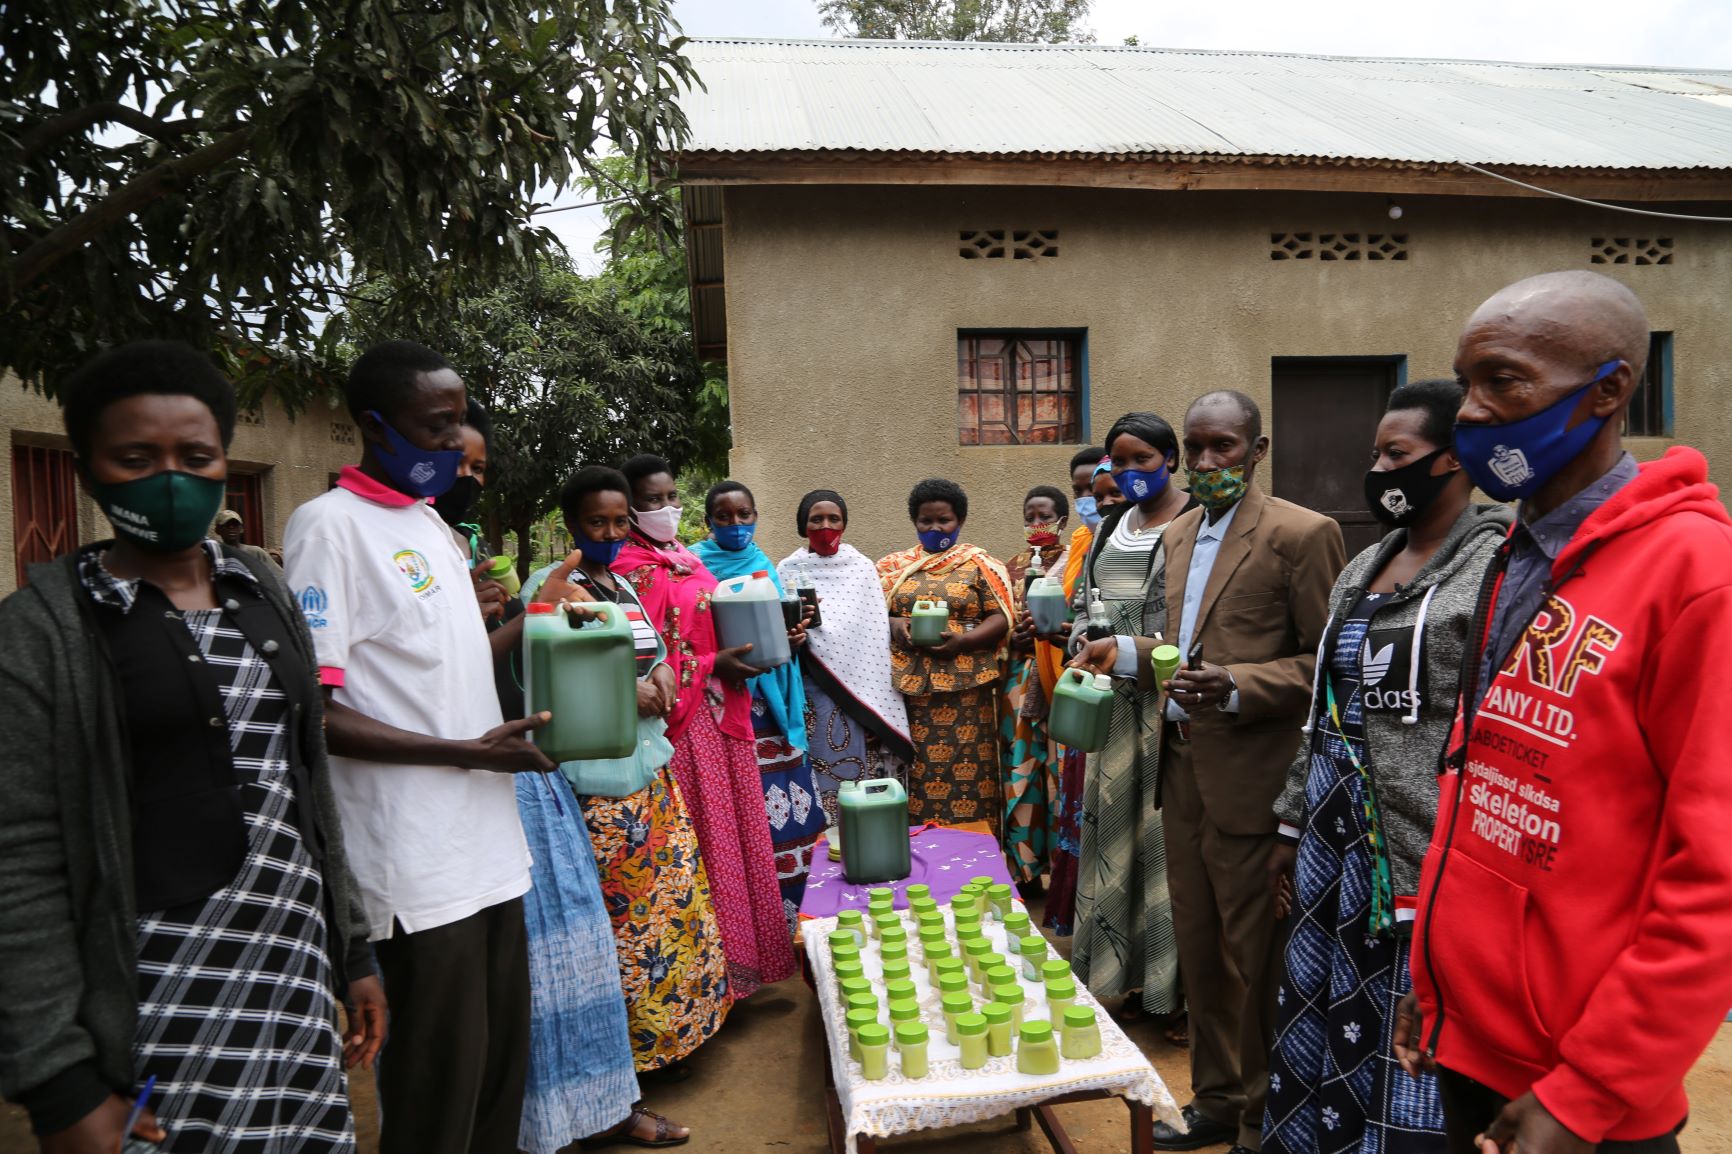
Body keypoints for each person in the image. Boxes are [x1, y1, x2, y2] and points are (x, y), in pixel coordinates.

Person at [0, 341, 385, 1154]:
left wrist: (352, 950)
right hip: (157, 1002)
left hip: (290, 977)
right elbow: (19, 858)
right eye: (136, 458)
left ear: (223, 464)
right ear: (88, 469)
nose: (171, 479)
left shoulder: (260, 586)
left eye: (196, 457)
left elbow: (307, 782)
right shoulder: (43, 632)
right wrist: (58, 1082)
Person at [1395, 272, 1732, 1154]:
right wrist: (1436, 986)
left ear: (1609, 390)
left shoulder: (1697, 576)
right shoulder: (1517, 551)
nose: (1471, 413)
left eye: (1504, 382)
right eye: (1465, 382)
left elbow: (1716, 872)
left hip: (1582, 1089)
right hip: (1472, 1039)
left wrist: (1590, 1090)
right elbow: (1485, 784)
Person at [285, 340, 556, 1154]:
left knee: (499, 1083)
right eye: (436, 424)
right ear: (376, 426)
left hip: (489, 852)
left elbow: (447, 664)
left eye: (459, 421)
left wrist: (535, 629)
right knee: (439, 1098)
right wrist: (467, 753)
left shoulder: (432, 525)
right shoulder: (330, 528)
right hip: (416, 869)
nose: (454, 440)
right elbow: (315, 713)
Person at [1074, 391, 1344, 1154]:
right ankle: (1218, 1100)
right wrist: (1126, 653)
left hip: (1254, 780)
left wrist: (1237, 685)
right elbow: (1181, 644)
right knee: (1201, 949)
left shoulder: (1302, 533)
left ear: (1257, 450)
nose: (1206, 461)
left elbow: (1328, 665)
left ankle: (1264, 1118)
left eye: (1223, 446)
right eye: (1196, 448)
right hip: (1183, 770)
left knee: (1255, 959)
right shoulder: (1181, 531)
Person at [1261, 381, 1512, 1154]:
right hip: (1331, 837)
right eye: (1374, 454)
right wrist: (1291, 821)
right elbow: (1325, 704)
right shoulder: (1367, 562)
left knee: (1401, 1025)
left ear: (1453, 459)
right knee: (1318, 1003)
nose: (1377, 470)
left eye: (1396, 454)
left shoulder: (1494, 566)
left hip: (1415, 848)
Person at [521, 465, 726, 1129]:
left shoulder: (622, 586)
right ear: (571, 525)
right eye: (596, 522)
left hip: (649, 774)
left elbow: (654, 650)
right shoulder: (551, 588)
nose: (609, 533)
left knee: (668, 919)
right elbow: (547, 677)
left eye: (618, 522)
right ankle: (623, 1071)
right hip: (597, 788)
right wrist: (622, 691)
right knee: (620, 931)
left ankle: (667, 1045)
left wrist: (662, 674)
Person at [615, 453, 795, 999]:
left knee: (739, 839)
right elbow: (643, 658)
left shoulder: (685, 558)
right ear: (629, 508)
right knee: (706, 845)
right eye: (652, 500)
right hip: (685, 724)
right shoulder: (628, 569)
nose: (666, 507)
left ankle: (750, 969)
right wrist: (715, 663)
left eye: (672, 497)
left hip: (726, 715)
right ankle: (715, 984)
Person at [1064, 413, 1192, 1040]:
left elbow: (1195, 618)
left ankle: (1180, 993)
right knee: (1119, 841)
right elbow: (1087, 604)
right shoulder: (1113, 526)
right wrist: (1083, 640)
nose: (1131, 471)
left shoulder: (1195, 524)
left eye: (1144, 458)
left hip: (1167, 708)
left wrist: (1134, 650)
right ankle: (1134, 978)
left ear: (1172, 459)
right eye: (1120, 462)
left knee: (1165, 844)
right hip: (1113, 709)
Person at [692, 480, 825, 931]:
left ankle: (801, 918)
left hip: (775, 703)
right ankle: (760, 923)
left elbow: (778, 630)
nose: (736, 524)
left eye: (744, 514)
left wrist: (793, 638)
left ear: (755, 516)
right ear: (708, 521)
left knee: (793, 803)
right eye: (724, 516)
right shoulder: (694, 566)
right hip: (729, 702)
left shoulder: (763, 564)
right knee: (752, 812)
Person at [878, 478, 1013, 831]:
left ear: (960, 521)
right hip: (910, 691)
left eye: (944, 520)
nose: (935, 528)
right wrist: (895, 625)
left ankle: (975, 848)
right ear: (914, 521)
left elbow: (1001, 617)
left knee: (972, 774)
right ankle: (921, 850)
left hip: (967, 690)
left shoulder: (979, 564)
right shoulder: (893, 566)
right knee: (918, 772)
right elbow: (872, 613)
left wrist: (963, 642)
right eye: (926, 521)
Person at [777, 489, 914, 824]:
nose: (825, 527)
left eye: (833, 519)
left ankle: (871, 834)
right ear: (803, 526)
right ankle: (828, 837)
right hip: (813, 687)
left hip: (865, 686)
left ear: (844, 524)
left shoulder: (862, 568)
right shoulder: (787, 569)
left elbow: (873, 633)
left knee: (867, 774)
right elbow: (780, 630)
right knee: (822, 769)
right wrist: (797, 631)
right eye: (816, 520)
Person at [1046, 453, 1117, 934]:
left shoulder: (1157, 540)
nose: (1095, 501)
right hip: (1083, 685)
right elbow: (1079, 612)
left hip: (1123, 688)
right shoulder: (1083, 545)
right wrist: (1072, 637)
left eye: (1108, 492)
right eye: (1086, 492)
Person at [1001, 483, 1073, 895]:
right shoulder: (1009, 568)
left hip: (1062, 679)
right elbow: (999, 622)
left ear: (1062, 520)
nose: (1036, 523)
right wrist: (1012, 639)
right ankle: (1025, 872)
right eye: (1029, 517)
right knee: (1023, 770)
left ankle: (1064, 876)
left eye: (1044, 516)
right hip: (1019, 683)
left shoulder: (1078, 562)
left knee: (1060, 773)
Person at [212, 508, 281, 571]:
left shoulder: (256, 553)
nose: (231, 528)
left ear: (241, 529)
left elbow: (278, 575)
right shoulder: (215, 555)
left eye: (235, 525)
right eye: (226, 525)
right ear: (217, 530)